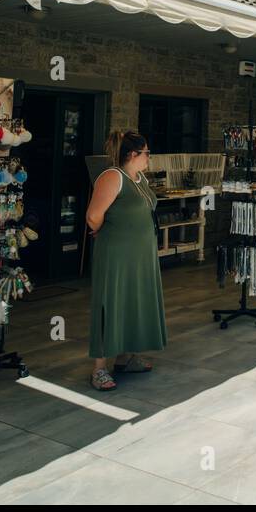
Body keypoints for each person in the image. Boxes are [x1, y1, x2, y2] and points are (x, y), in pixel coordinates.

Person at [85, 130, 168, 392]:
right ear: (133, 154)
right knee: (110, 301)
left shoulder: (140, 178)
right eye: (146, 153)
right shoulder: (112, 177)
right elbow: (93, 216)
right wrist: (104, 229)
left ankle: (125, 356)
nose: (149, 157)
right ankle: (99, 368)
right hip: (116, 254)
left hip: (140, 254)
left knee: (133, 300)